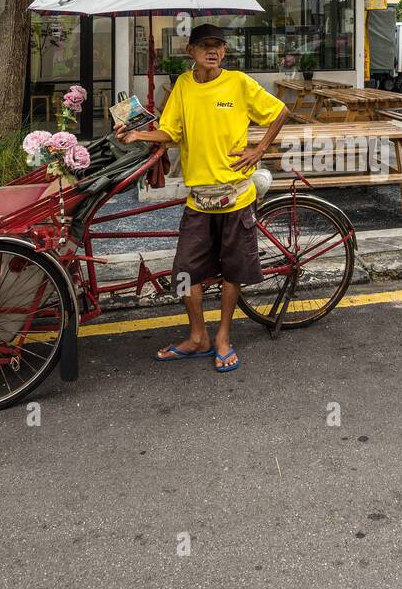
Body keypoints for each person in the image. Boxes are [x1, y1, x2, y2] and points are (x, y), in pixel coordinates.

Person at [118, 23, 289, 373]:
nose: (213, 51)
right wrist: (138, 135)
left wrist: (258, 151)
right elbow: (172, 131)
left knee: (232, 270)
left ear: (224, 52)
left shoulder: (239, 83)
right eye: (205, 46)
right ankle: (198, 337)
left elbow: (279, 112)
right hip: (199, 199)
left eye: (218, 46)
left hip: (236, 195)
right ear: (191, 51)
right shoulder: (183, 85)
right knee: (184, 272)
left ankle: (223, 336)